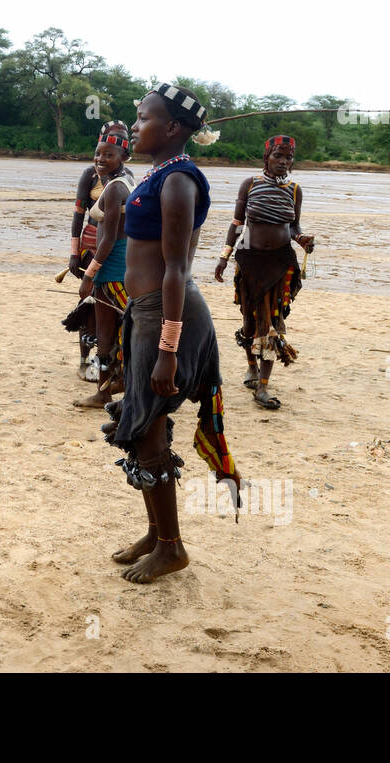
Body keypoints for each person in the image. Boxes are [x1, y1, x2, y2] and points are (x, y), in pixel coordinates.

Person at [103, 85, 240, 584]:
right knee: (143, 428)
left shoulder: (181, 180)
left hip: (167, 314)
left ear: (174, 128)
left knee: (148, 428)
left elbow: (177, 268)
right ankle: (156, 532)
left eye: (143, 118)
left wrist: (167, 350)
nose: (135, 127)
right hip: (145, 310)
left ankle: (172, 547)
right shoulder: (157, 174)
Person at [213, 135, 315, 409]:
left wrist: (302, 239)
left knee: (272, 324)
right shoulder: (250, 185)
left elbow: (294, 227)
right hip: (249, 260)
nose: (283, 162)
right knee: (249, 322)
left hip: (280, 263)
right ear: (266, 158)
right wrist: (224, 257)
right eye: (278, 157)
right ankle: (251, 367)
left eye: (288, 158)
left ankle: (263, 387)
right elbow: (236, 224)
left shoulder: (294, 190)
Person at [74, 123, 135, 408]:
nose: (100, 159)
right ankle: (103, 392)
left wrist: (89, 274)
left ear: (123, 158)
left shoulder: (115, 188)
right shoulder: (116, 183)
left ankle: (122, 387)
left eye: (109, 155)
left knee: (123, 329)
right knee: (106, 334)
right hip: (112, 264)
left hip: (113, 267)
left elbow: (109, 237)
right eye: (98, 154)